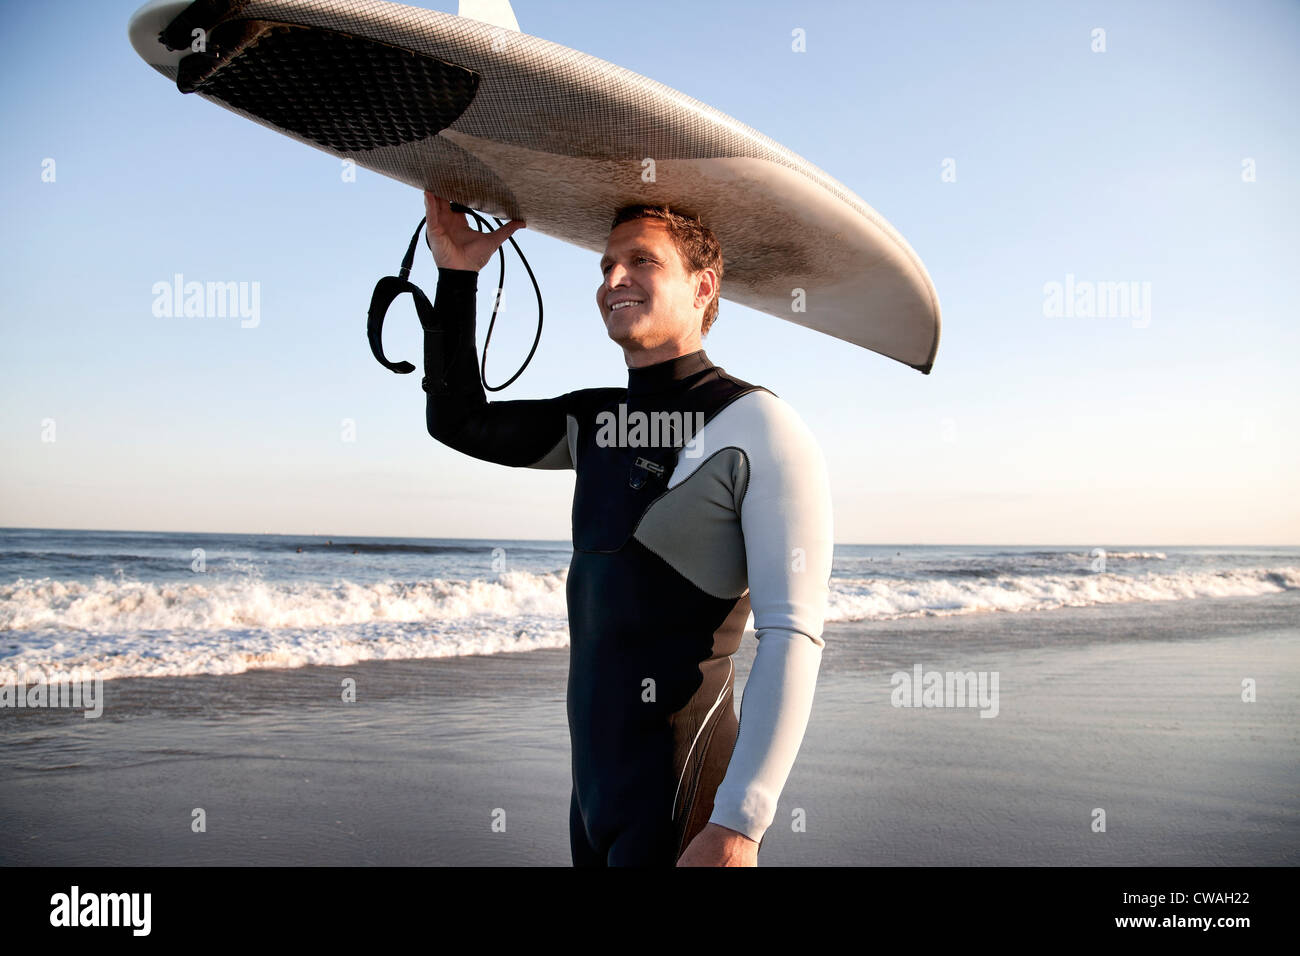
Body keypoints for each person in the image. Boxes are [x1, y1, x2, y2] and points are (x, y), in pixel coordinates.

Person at [420, 190, 833, 867]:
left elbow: (792, 634)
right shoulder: (595, 420)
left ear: (703, 287)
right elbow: (458, 422)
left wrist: (741, 822)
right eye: (606, 264)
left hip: (684, 798)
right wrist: (457, 272)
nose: (613, 279)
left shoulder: (760, 427)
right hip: (593, 799)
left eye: (643, 261)